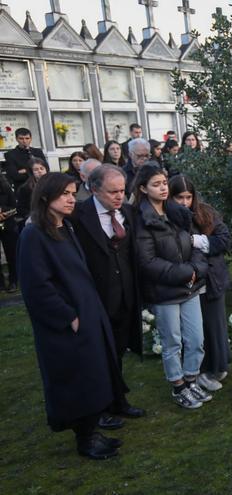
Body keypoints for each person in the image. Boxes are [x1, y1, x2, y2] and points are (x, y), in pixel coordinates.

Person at [18, 172, 126, 460]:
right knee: (76, 379)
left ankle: (91, 430)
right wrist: (68, 317)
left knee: (92, 375)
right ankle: (85, 439)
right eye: (64, 193)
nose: (70, 199)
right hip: (66, 325)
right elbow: (36, 287)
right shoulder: (33, 235)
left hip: (87, 314)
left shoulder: (65, 228)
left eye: (72, 192)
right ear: (45, 197)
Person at [70, 164, 147, 427]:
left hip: (126, 296)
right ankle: (100, 408)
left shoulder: (128, 212)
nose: (120, 196)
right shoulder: (78, 216)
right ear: (93, 189)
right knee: (98, 355)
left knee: (118, 350)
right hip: (96, 298)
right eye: (113, 191)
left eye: (123, 190)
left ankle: (118, 402)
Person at [133, 165, 211, 408]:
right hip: (165, 291)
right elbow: (148, 262)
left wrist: (195, 270)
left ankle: (191, 379)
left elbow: (194, 245)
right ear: (144, 188)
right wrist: (186, 273)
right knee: (172, 342)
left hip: (190, 287)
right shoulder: (142, 220)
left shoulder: (179, 213)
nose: (163, 188)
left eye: (164, 182)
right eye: (156, 184)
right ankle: (178, 387)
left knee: (196, 338)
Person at [170, 175, 232, 390]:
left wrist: (195, 241)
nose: (185, 202)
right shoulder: (168, 218)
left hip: (212, 278)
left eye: (188, 197)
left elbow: (223, 239)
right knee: (196, 332)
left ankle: (217, 365)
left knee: (215, 326)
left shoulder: (205, 211)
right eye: (179, 197)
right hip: (189, 281)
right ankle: (201, 371)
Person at [16, 158, 49, 229]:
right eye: (36, 170)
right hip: (36, 220)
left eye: (42, 168)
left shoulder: (54, 183)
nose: (40, 171)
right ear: (31, 172)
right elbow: (21, 208)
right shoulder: (25, 188)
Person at [0, 174, 18, 292]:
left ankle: (13, 281)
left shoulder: (5, 188)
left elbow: (16, 208)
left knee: (11, 254)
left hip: (8, 226)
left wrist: (3, 214)